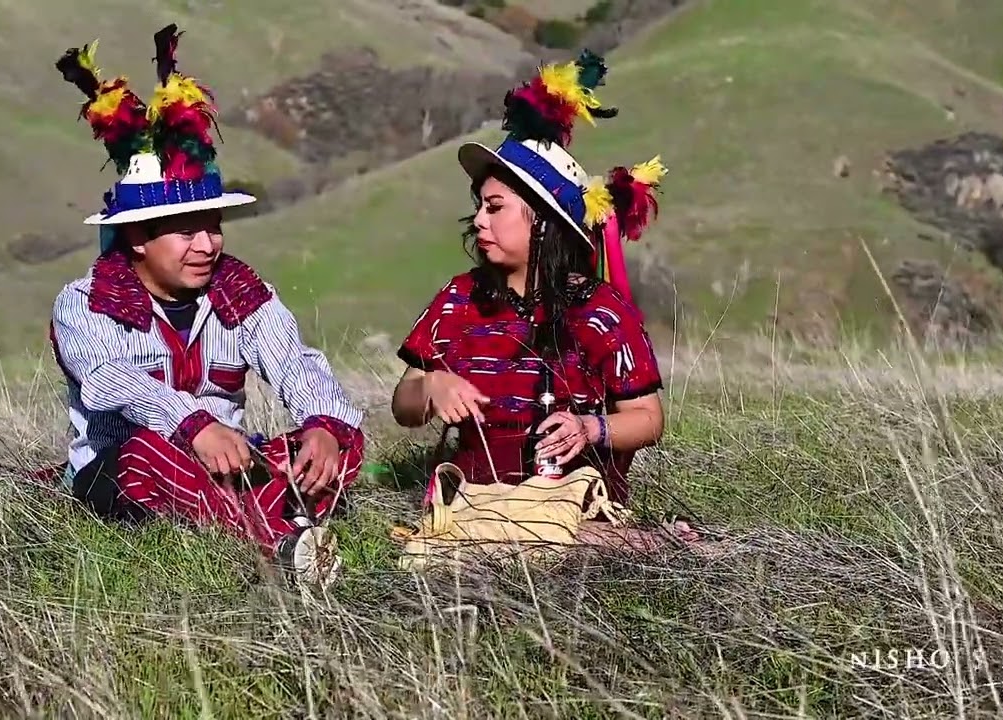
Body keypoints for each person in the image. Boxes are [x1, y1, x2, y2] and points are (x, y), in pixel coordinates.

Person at [47, 25, 365, 573]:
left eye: (212, 225)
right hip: (126, 466)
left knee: (342, 444)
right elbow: (108, 380)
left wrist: (322, 425)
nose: (208, 243)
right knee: (145, 459)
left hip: (230, 462)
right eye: (186, 230)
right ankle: (279, 538)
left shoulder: (243, 292)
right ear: (137, 237)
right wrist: (193, 424)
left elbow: (294, 364)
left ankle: (260, 516)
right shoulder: (84, 302)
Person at [390, 50, 691, 549]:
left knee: (563, 542)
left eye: (495, 208)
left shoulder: (600, 311)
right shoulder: (458, 299)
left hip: (574, 509)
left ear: (543, 222)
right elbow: (405, 403)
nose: (480, 221)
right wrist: (433, 387)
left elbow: (648, 418)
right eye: (479, 208)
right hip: (473, 502)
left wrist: (590, 429)